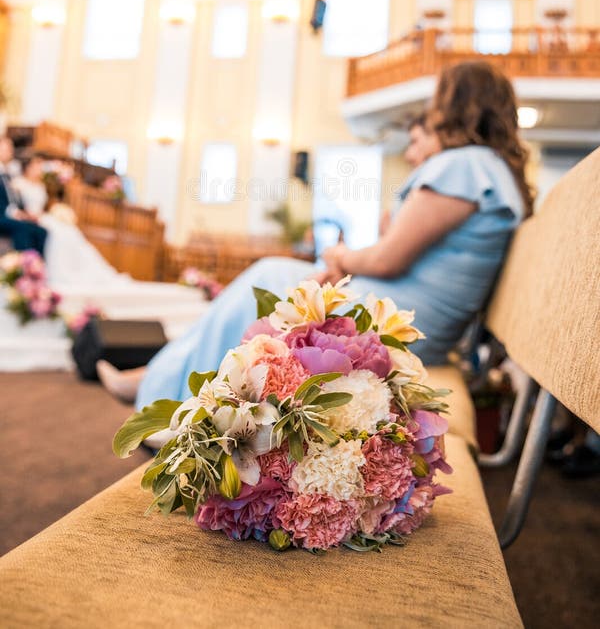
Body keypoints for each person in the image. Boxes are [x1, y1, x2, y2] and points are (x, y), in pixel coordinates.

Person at [98, 61, 533, 406]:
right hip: (404, 315)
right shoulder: (492, 171)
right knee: (275, 278)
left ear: (457, 104)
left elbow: (388, 259)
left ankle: (165, 393)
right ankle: (162, 381)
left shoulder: (465, 166)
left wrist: (342, 259)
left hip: (396, 326)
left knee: (267, 279)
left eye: (440, 97)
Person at [379, 112, 440, 237]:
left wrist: (389, 234)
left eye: (414, 141)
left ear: (435, 138)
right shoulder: (418, 183)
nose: (408, 155)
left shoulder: (434, 185)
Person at [0, 137, 47, 256]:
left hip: (9, 214)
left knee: (41, 231)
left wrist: (24, 213)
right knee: (22, 228)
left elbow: (14, 200)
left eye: (11, 148)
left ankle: (37, 268)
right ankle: (24, 266)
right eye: (7, 148)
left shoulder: (9, 174)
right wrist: (16, 214)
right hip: (2, 215)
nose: (11, 151)